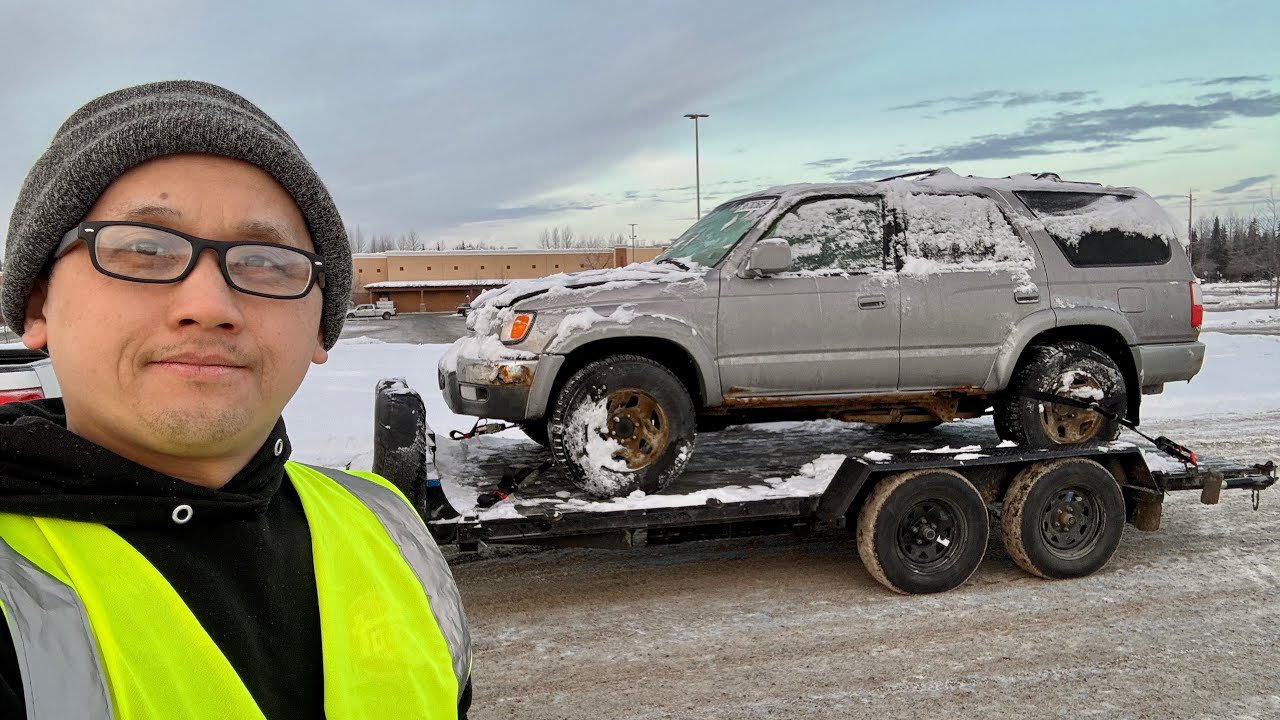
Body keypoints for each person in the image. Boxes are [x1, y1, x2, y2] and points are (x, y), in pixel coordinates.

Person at [0, 80, 472, 719]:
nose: (209, 306)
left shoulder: (388, 528)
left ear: (319, 328)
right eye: (143, 249)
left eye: (267, 263)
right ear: (37, 305)